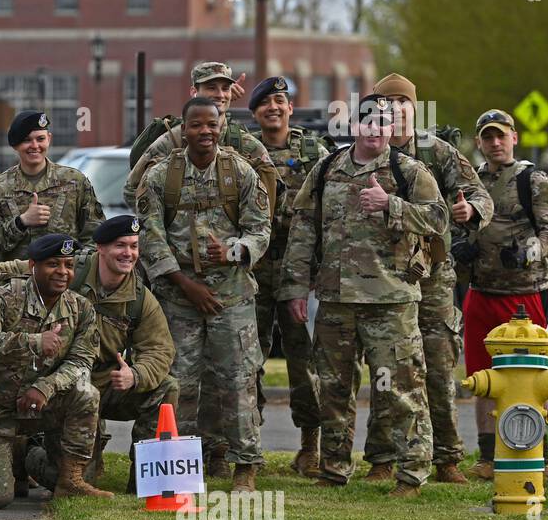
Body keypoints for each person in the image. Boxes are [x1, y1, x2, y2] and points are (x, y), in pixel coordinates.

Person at [278, 95, 448, 496]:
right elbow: (304, 229)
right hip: (336, 300)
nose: (375, 129)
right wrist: (295, 286)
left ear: (392, 129)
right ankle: (334, 466)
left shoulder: (407, 171)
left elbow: (439, 220)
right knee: (335, 387)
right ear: (355, 126)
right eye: (368, 122)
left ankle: (412, 471)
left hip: (391, 301)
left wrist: (392, 205)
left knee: (399, 388)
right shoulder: (326, 169)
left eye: (384, 123)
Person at [0, 215, 177, 492]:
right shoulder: (67, 269)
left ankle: (148, 483)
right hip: (58, 379)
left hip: (103, 379)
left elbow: (160, 349)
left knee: (167, 388)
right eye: (120, 246)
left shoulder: (139, 298)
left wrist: (135, 375)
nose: (128, 253)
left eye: (134, 246)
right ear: (100, 248)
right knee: (56, 477)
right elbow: (15, 267)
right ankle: (30, 453)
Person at [135, 97, 271, 491]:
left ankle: (245, 464)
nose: (205, 132)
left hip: (232, 296)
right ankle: (180, 465)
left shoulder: (239, 172)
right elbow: (150, 236)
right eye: (196, 125)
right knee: (179, 382)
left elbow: (261, 228)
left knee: (238, 379)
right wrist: (185, 284)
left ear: (221, 125)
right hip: (179, 299)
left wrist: (233, 250)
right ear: (184, 128)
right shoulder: (161, 176)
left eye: (212, 124)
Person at [372, 73, 493, 484]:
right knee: (388, 367)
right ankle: (383, 458)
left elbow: (479, 195)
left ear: (413, 107)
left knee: (440, 365)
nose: (394, 109)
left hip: (433, 276)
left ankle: (447, 457)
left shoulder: (437, 152)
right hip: (384, 277)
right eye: (385, 102)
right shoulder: (366, 151)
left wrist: (469, 212)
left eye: (402, 102)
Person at [0, 233, 105, 507]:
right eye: (53, 264)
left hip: (36, 407)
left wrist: (45, 386)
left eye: (68, 265)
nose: (62, 272)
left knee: (86, 392)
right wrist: (33, 342)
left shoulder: (81, 309)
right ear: (33, 266)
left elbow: (81, 362)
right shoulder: (2, 296)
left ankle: (66, 479)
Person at [461, 108, 548, 480]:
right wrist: (462, 246)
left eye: (501, 135)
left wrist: (526, 253)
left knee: (536, 378)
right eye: (488, 137)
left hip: (526, 294)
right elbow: (464, 224)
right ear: (479, 143)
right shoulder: (472, 182)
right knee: (482, 377)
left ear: (514, 137)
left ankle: (543, 457)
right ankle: (488, 457)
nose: (495, 142)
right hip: (481, 292)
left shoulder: (533, 179)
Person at [246, 76, 324, 476]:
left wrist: (319, 265)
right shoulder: (244, 150)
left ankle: (310, 445)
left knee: (303, 358)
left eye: (280, 100)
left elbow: (330, 208)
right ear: (255, 113)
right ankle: (248, 444)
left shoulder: (313, 151)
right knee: (248, 357)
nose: (273, 108)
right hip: (254, 269)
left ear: (290, 107)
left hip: (299, 269)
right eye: (265, 104)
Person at [124, 61, 274, 211]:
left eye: (225, 89)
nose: (220, 94)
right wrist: (162, 226)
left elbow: (270, 197)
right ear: (193, 92)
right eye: (211, 88)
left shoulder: (246, 144)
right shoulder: (173, 140)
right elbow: (132, 190)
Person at [0, 109, 105, 262]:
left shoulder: (75, 182)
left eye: (40, 139)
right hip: (15, 279)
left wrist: (78, 269)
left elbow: (95, 236)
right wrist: (21, 222)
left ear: (49, 139)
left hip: (65, 278)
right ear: (15, 145)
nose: (35, 146)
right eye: (27, 140)